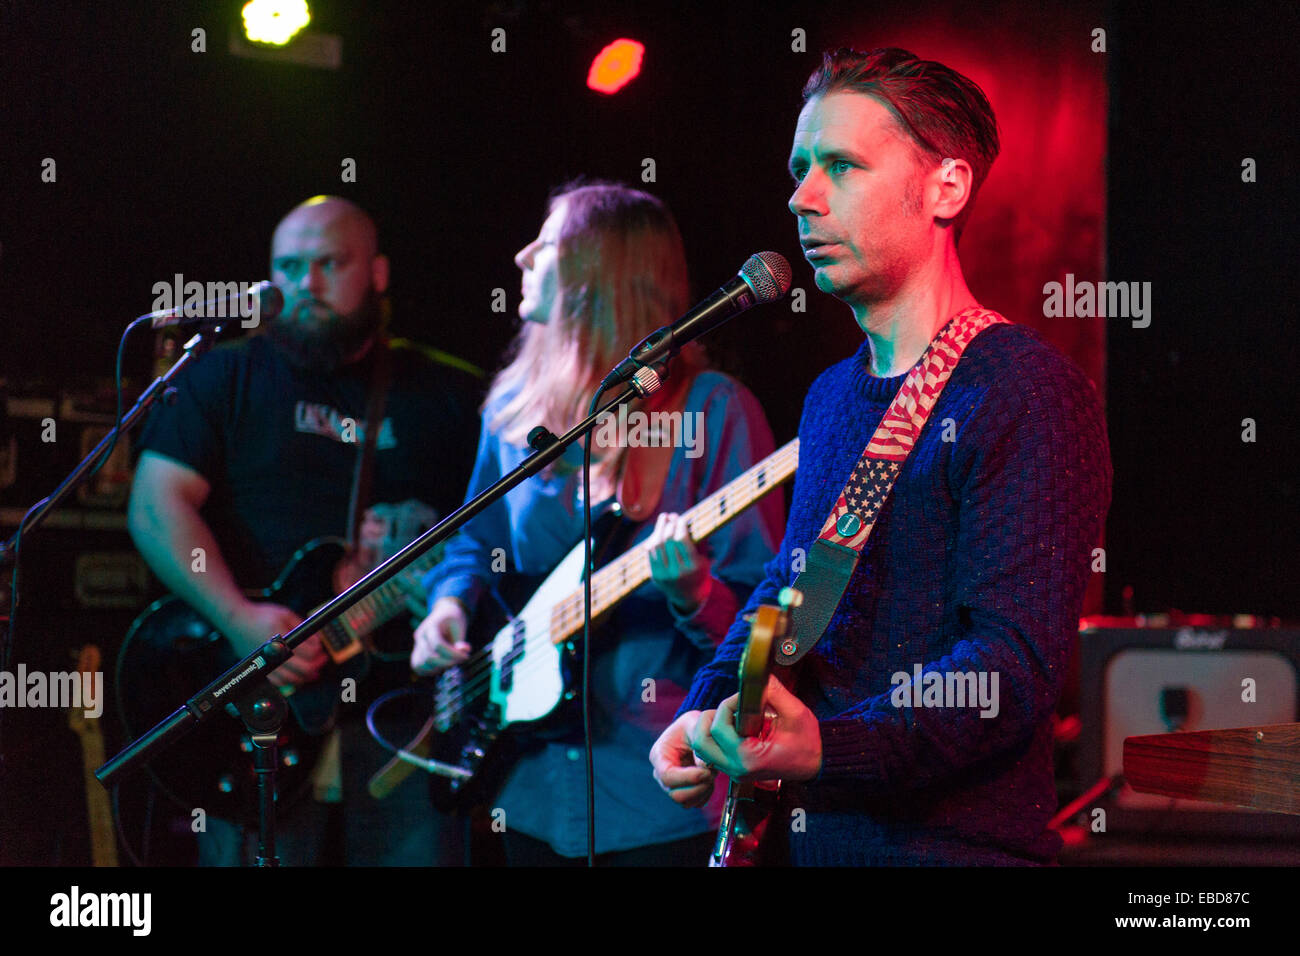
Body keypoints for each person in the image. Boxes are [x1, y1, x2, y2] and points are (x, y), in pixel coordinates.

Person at [651, 48, 1113, 865]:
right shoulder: (835, 394)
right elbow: (790, 584)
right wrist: (709, 706)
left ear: (948, 188)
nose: (802, 197)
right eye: (800, 169)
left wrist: (832, 748)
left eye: (842, 165)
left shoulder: (1025, 392)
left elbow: (1012, 667)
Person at [412, 181, 784, 865]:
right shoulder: (512, 408)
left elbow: (766, 623)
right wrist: (448, 605)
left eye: (547, 244)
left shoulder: (716, 411)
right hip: (518, 790)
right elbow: (476, 539)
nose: (522, 256)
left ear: (598, 276)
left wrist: (696, 596)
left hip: (653, 799)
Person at [127, 195, 482, 865]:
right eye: (288, 267)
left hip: (400, 714)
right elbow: (154, 505)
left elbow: (495, 530)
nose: (306, 285)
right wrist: (238, 618)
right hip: (257, 706)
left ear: (378, 274)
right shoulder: (223, 374)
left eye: (329, 263)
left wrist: (441, 581)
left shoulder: (449, 395)